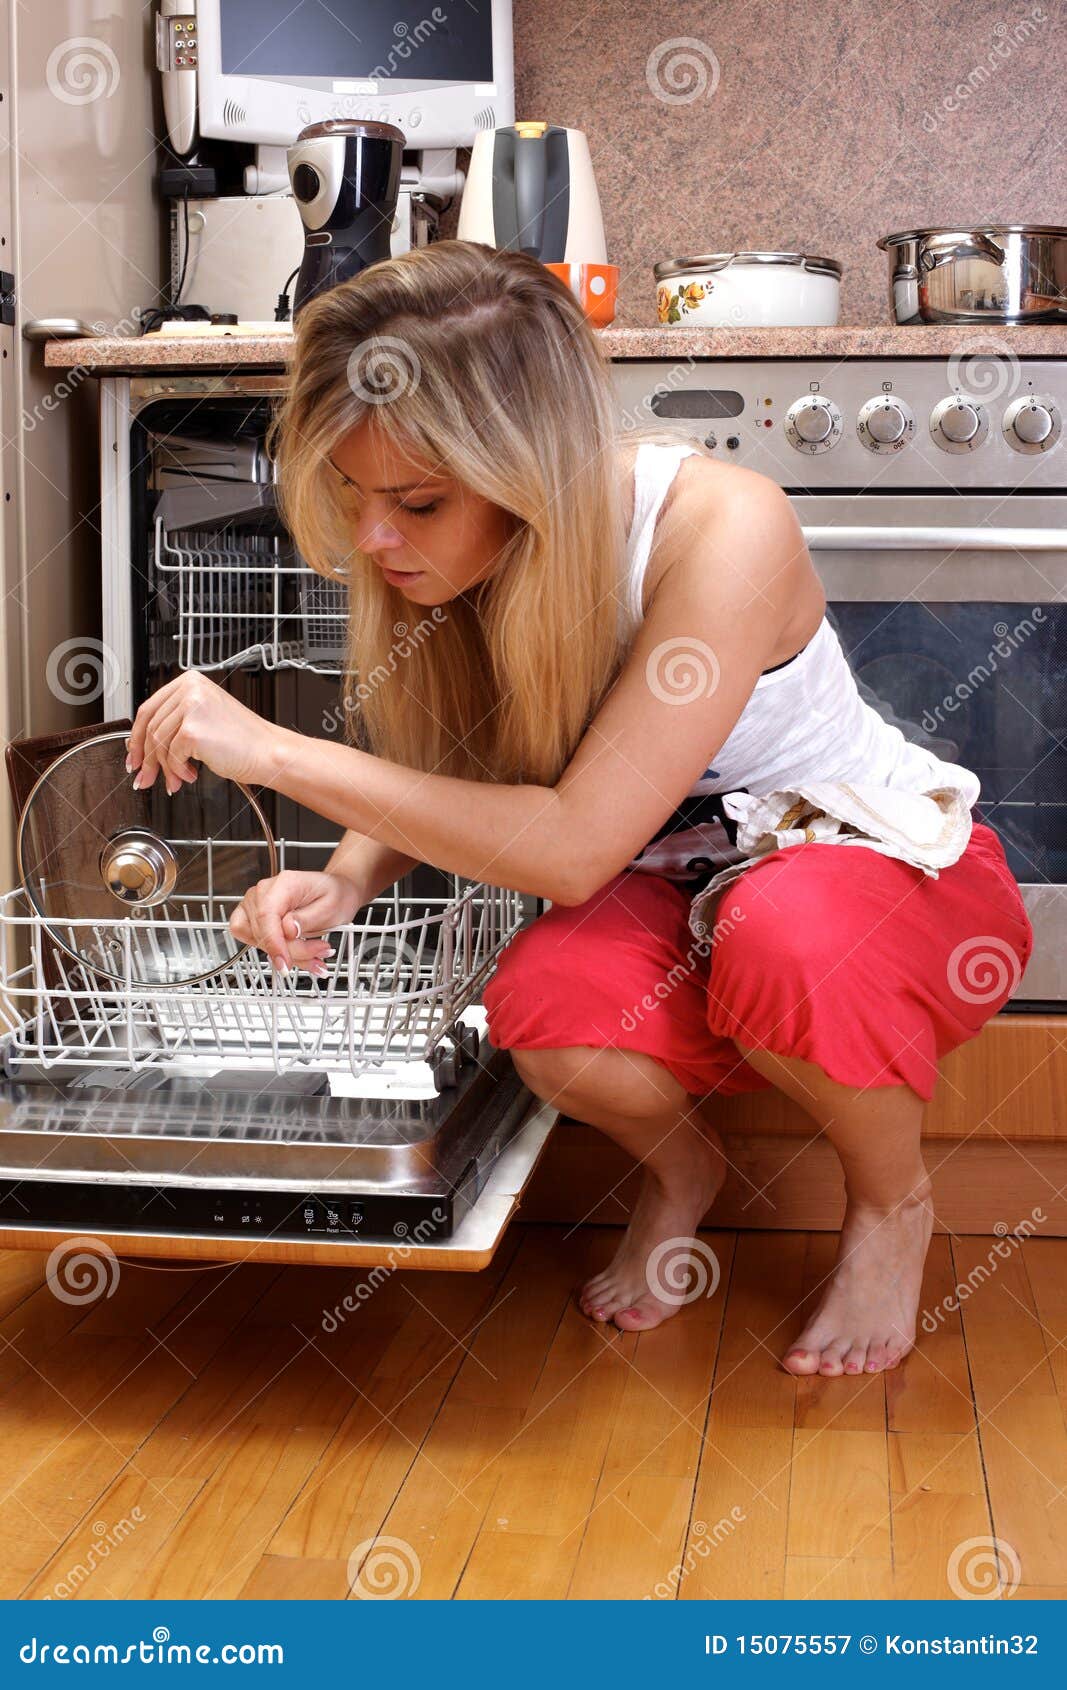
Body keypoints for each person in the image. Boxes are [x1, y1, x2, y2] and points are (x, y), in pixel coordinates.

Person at [126, 239, 1034, 1376]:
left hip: (870, 869)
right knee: (544, 1005)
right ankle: (683, 1169)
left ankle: (891, 1203)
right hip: (674, 888)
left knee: (784, 939)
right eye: (352, 493)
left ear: (529, 467)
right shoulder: (460, 549)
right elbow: (448, 755)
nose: (369, 537)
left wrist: (271, 751)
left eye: (413, 500)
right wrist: (348, 875)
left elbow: (568, 850)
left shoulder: (720, 529)